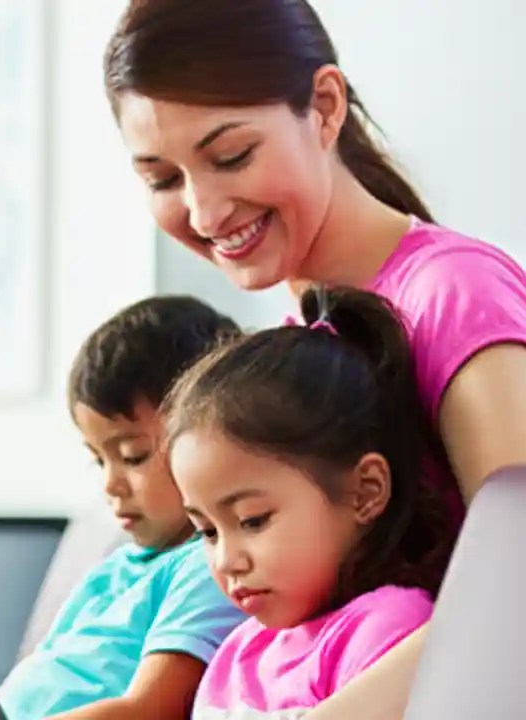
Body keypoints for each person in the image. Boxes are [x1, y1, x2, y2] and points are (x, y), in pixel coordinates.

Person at [103, 1, 526, 715]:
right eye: (163, 180)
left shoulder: (456, 295)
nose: (204, 213)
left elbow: (514, 597)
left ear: (324, 107)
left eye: (231, 155)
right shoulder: (299, 337)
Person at [0, 296, 247, 720]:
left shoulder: (207, 570)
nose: (110, 484)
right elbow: (31, 687)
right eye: (97, 459)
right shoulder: (112, 572)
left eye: (132, 455)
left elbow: (149, 710)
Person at [163, 286, 456, 717]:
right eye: (207, 531)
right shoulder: (239, 653)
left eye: (252, 520)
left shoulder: (389, 628)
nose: (227, 561)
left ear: (366, 491)